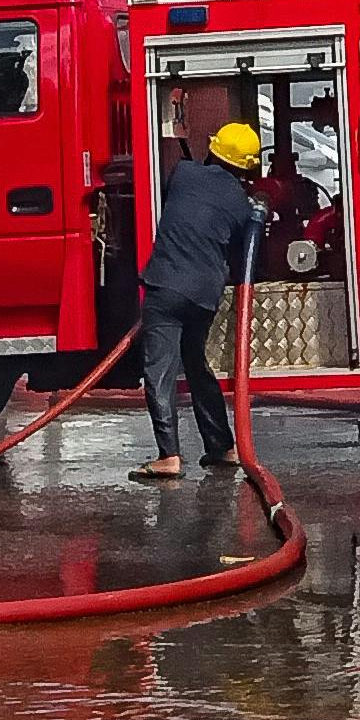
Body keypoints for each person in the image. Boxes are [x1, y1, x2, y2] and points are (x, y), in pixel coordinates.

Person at [130, 120, 268, 482]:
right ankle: (222, 446)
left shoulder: (184, 174)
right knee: (196, 365)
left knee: (159, 371)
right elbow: (243, 252)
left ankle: (169, 456)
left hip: (166, 286)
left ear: (214, 149)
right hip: (205, 295)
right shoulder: (242, 205)